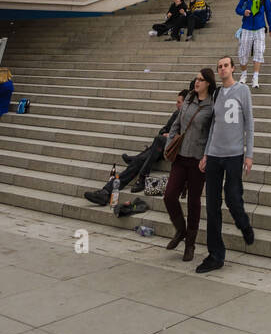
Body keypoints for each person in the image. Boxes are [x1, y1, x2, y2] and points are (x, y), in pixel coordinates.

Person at [196, 56, 255, 272]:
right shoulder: (217, 94)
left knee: (232, 198)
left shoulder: (243, 91)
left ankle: (244, 224)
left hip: (234, 155)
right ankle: (215, 255)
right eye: (219, 67)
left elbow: (250, 122)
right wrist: (206, 154)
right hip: (214, 155)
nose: (222, 69)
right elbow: (214, 126)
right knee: (212, 206)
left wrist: (249, 154)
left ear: (232, 68)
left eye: (225, 66)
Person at [84, 91, 187, 204]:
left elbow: (186, 137)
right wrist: (165, 133)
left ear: (186, 103)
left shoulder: (188, 117)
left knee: (157, 141)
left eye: (179, 102)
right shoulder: (176, 114)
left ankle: (142, 175)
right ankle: (105, 192)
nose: (176, 104)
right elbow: (163, 130)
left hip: (172, 149)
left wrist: (171, 136)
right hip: (159, 148)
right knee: (139, 160)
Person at [163, 70, 215, 262]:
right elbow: (176, 124)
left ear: (208, 83)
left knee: (194, 202)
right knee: (169, 196)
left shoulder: (211, 106)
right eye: (196, 79)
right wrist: (170, 144)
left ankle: (190, 244)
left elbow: (212, 133)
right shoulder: (188, 100)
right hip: (180, 156)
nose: (197, 82)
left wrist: (206, 155)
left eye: (201, 80)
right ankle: (180, 230)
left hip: (197, 160)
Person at [235, 0, 271, 89]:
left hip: (260, 28)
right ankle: (243, 75)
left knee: (259, 51)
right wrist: (244, 12)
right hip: (246, 27)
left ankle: (255, 77)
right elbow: (237, 9)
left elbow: (269, 13)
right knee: (243, 52)